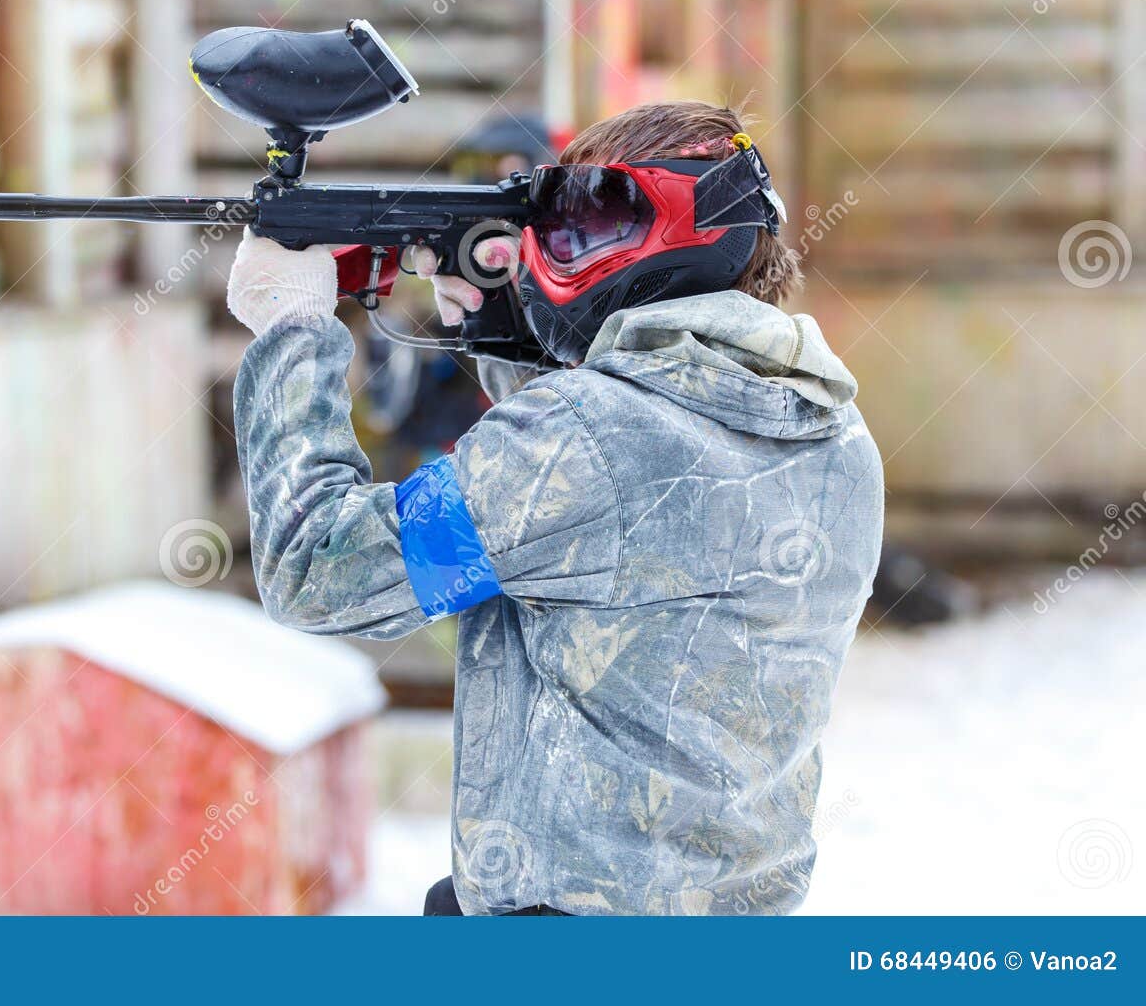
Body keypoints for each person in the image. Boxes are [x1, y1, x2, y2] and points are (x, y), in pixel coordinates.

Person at [225, 101, 884, 915]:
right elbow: (605, 527)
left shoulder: (584, 440)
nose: (557, 252)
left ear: (674, 226)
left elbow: (317, 566)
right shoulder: (835, 433)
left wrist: (290, 327)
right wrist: (505, 333)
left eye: (585, 225)